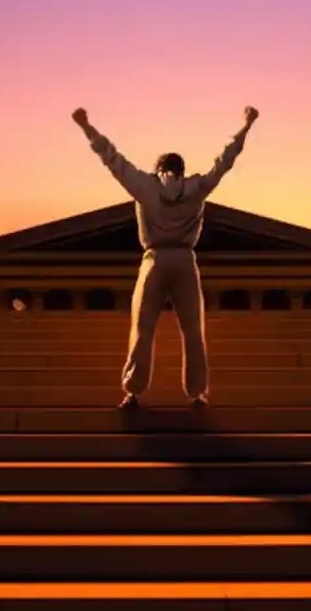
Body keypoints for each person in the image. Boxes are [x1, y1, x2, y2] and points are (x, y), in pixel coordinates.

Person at [71, 105, 258, 409]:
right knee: (193, 331)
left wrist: (85, 125)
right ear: (181, 170)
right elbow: (225, 161)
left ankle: (133, 390)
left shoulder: (145, 186)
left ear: (158, 168)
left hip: (154, 259)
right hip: (185, 260)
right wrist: (246, 125)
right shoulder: (196, 188)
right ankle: (197, 392)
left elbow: (111, 157)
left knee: (143, 328)